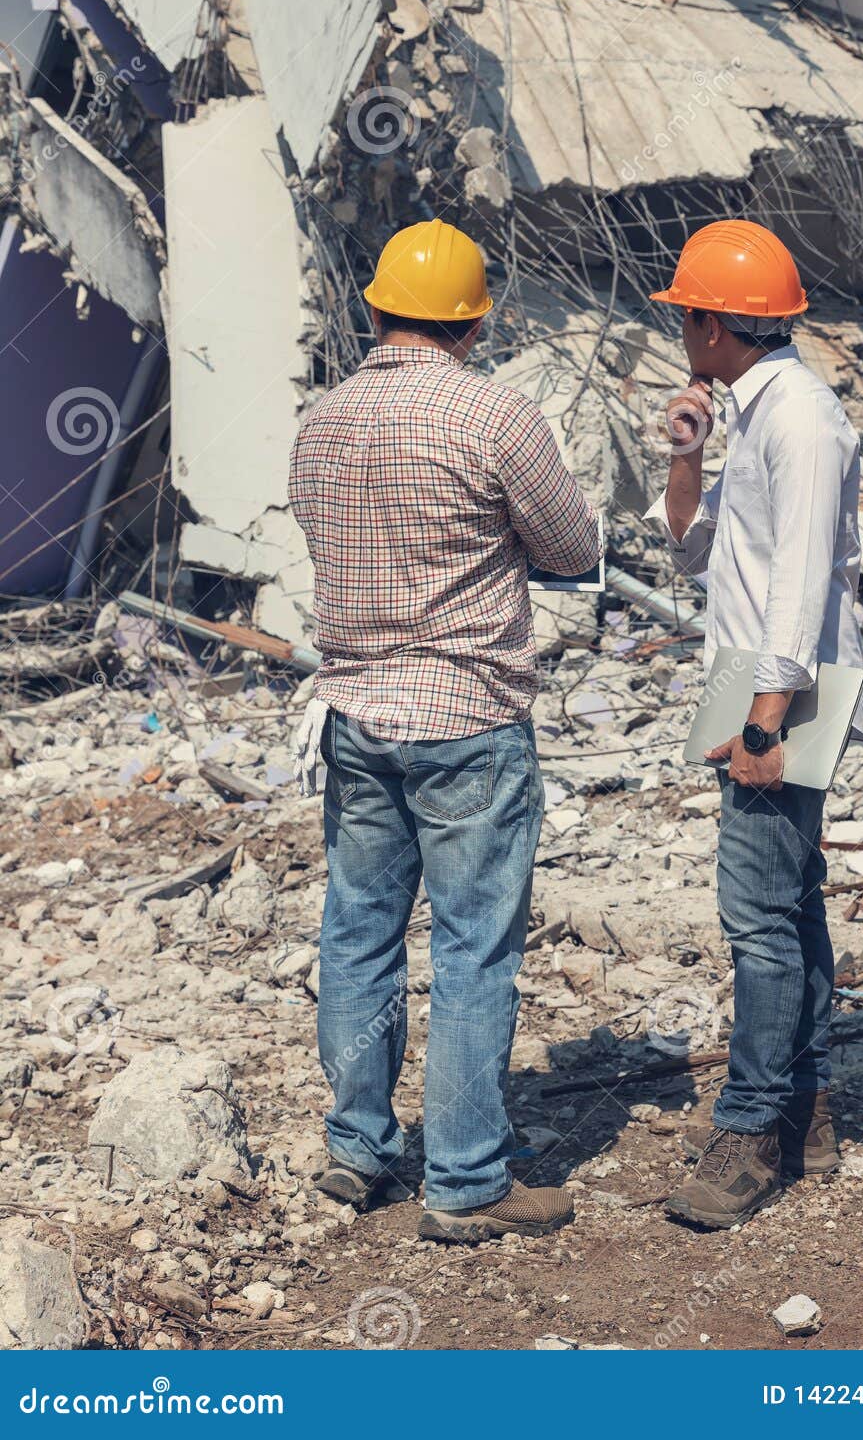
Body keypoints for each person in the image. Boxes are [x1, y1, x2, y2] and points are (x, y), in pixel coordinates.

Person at [288, 217, 599, 1244]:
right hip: (466, 715)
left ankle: (357, 1148)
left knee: (359, 933)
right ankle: (464, 1179)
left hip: (356, 711)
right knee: (472, 947)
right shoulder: (493, 415)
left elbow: (314, 531)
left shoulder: (321, 420)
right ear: (473, 322)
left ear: (374, 308)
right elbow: (569, 544)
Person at [644, 219, 863, 1230]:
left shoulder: (802, 422)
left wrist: (766, 722)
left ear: (711, 323)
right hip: (754, 678)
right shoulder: (753, 410)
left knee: (757, 919)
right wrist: (683, 458)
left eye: (685, 316)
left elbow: (801, 580)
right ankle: (804, 1112)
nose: (680, 332)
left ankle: (748, 1132)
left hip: (782, 689)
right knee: (789, 901)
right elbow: (694, 554)